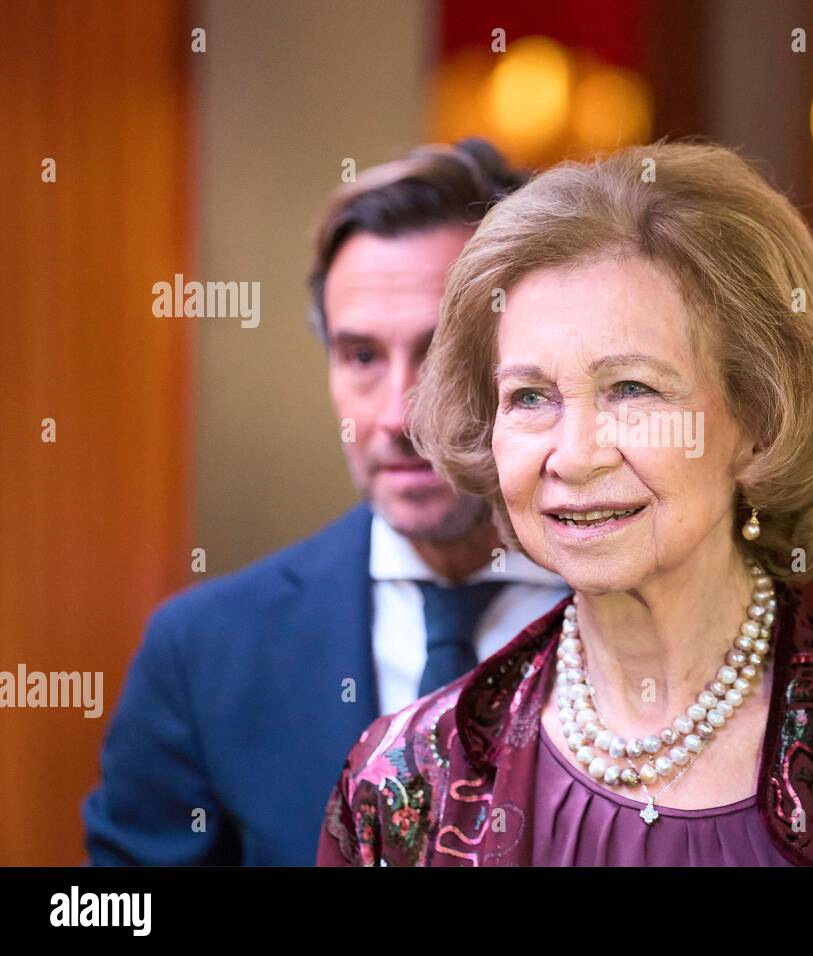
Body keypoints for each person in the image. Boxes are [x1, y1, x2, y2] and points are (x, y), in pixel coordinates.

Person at [317, 140, 813, 866]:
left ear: (759, 423)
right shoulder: (407, 783)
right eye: (530, 397)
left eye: (632, 389)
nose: (573, 454)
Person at [82, 140, 570, 866]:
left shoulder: (658, 618)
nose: (398, 417)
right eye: (362, 356)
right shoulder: (203, 653)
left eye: (441, 352)